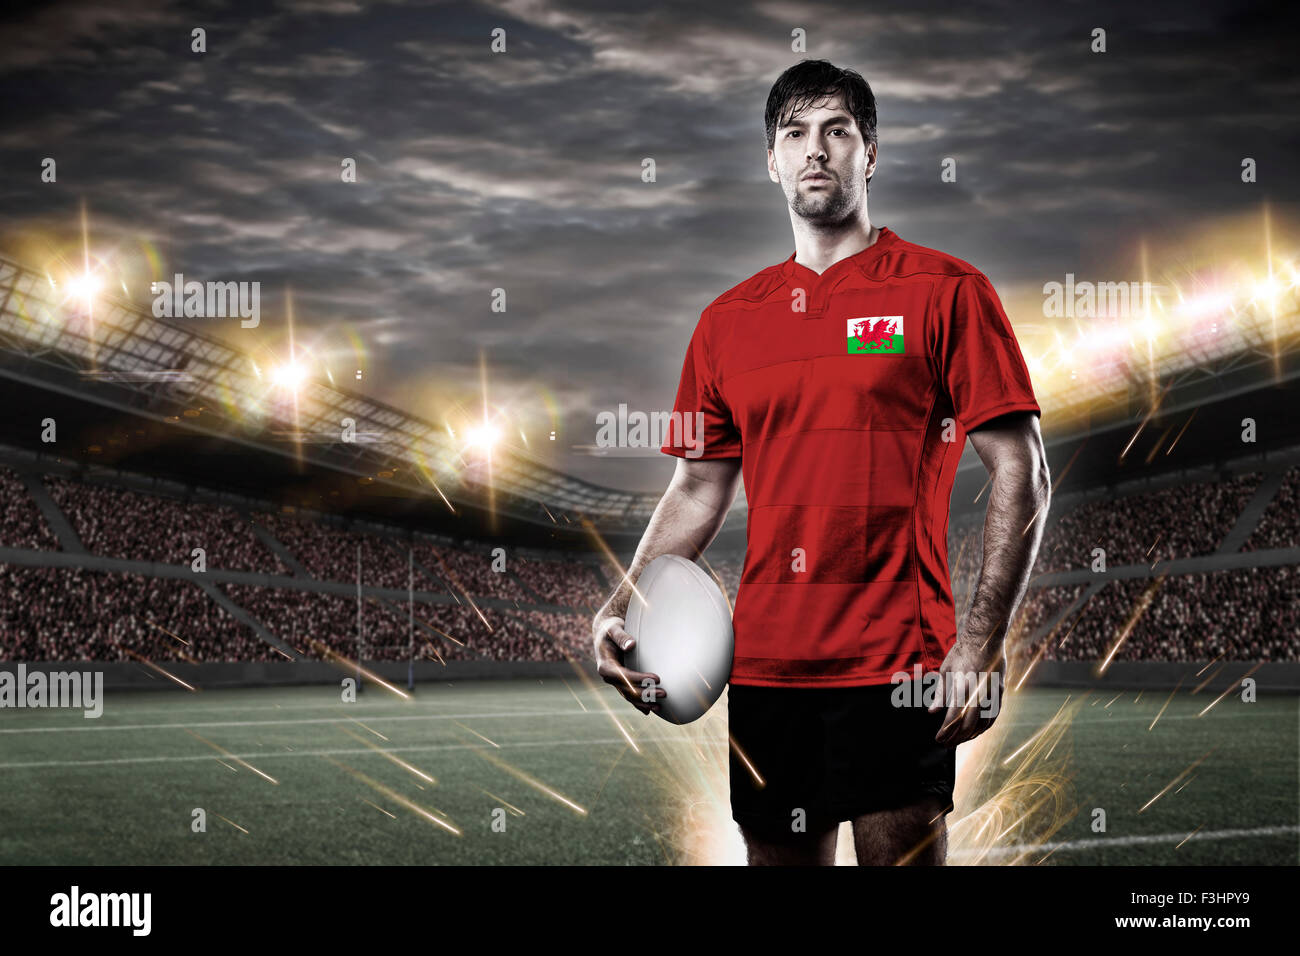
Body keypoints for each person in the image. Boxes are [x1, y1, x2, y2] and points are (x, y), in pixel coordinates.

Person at [593, 59, 1050, 866]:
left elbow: (1023, 470)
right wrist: (625, 603)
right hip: (767, 676)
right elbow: (698, 486)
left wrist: (980, 643)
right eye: (794, 134)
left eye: (837, 130)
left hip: (900, 668)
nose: (816, 150)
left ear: (869, 153)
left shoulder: (947, 291)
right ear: (771, 161)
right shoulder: (725, 323)